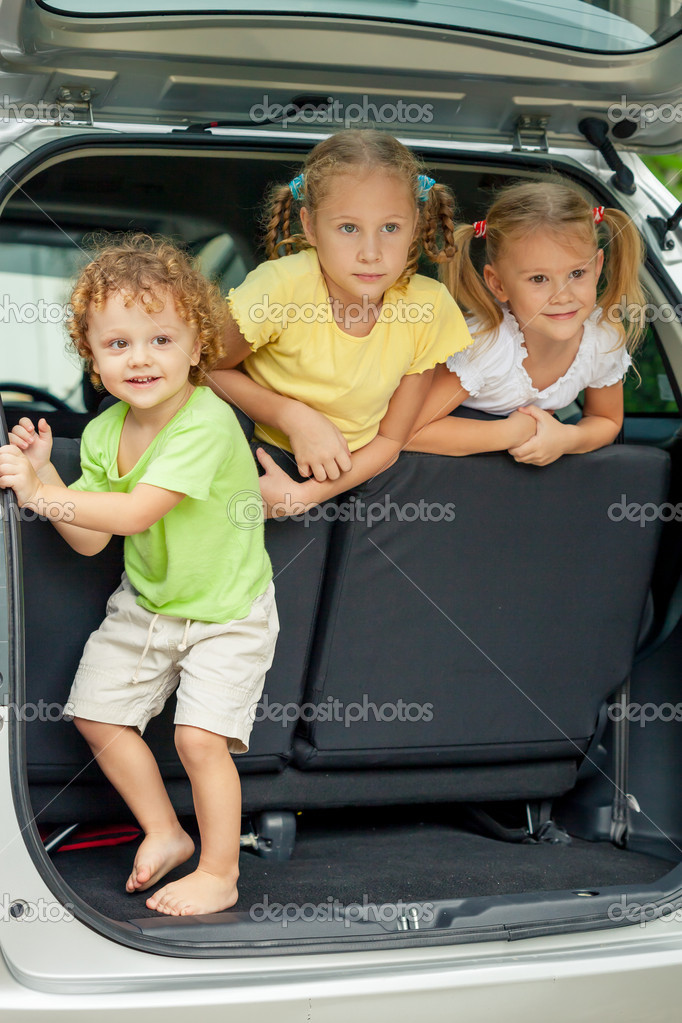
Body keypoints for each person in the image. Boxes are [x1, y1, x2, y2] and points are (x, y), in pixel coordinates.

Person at [0, 235, 278, 917]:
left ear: (196, 346)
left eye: (160, 337)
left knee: (198, 739)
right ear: (92, 358)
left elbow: (135, 510)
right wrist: (49, 475)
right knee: (95, 714)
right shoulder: (103, 432)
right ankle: (165, 830)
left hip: (226, 609)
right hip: (150, 602)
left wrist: (38, 494)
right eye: (117, 344)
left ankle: (220, 871)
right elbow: (94, 537)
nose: (141, 357)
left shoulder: (207, 423)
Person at [208, 129, 475, 516]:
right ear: (311, 227)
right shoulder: (281, 287)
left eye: (390, 228)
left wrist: (308, 497)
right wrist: (292, 415)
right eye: (348, 228)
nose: (371, 253)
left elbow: (389, 439)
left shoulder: (429, 307)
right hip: (250, 454)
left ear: (415, 225)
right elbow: (202, 368)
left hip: (346, 478)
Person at [405, 179, 646, 464]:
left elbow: (605, 418)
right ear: (498, 284)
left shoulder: (602, 339)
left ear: (597, 267)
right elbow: (407, 431)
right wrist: (509, 433)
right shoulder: (484, 347)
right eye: (538, 279)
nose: (562, 296)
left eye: (577, 274)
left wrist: (566, 439)